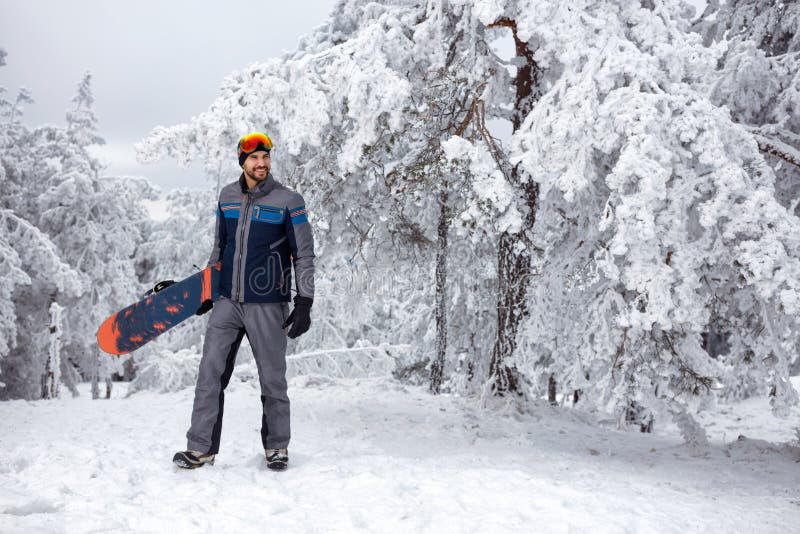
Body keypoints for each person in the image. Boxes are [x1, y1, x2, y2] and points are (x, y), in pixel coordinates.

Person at [173, 132, 315, 471]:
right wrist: (208, 287)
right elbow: (220, 247)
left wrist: (305, 300)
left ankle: (277, 448)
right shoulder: (227, 197)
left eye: (265, 157)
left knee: (272, 378)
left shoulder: (289, 200)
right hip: (227, 301)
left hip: (268, 302)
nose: (261, 163)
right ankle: (200, 448)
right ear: (242, 161)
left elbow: (304, 253)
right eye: (254, 158)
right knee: (209, 372)